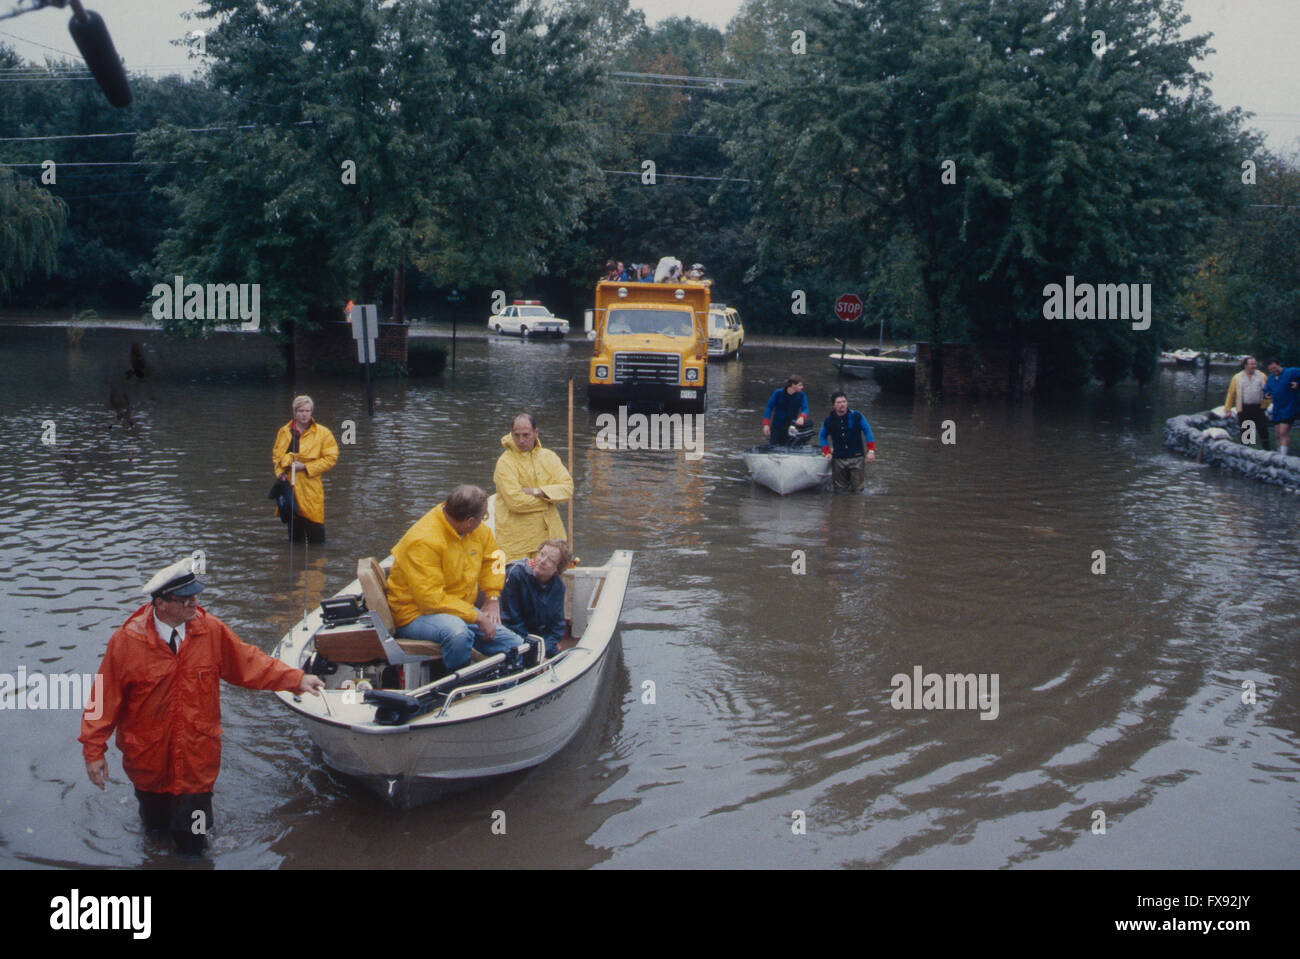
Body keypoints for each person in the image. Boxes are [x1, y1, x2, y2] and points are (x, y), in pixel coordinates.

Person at [79, 557, 323, 855]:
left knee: (195, 845)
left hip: (196, 767)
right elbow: (102, 699)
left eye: (196, 596)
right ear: (161, 603)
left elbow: (249, 663)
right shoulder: (126, 642)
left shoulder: (210, 631)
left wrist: (297, 679)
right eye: (186, 599)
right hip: (148, 765)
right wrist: (94, 752)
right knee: (154, 833)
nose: (195, 603)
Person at [385, 485, 527, 671]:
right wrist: (477, 616)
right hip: (414, 613)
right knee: (458, 633)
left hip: (459, 607)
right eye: (484, 516)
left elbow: (496, 558)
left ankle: (507, 682)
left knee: (516, 645)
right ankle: (453, 684)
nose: (485, 521)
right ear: (469, 521)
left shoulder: (477, 530)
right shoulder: (423, 541)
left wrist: (492, 597)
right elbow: (431, 601)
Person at [493, 413, 574, 564]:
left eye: (526, 435)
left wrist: (538, 491)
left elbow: (567, 489)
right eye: (516, 435)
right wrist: (550, 499)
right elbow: (515, 502)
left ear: (536, 433)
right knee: (521, 582)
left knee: (551, 582)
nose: (521, 440)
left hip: (550, 538)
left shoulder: (549, 457)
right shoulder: (505, 463)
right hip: (518, 543)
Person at [271, 395, 339, 543]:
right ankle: (297, 561)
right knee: (295, 537)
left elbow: (331, 458)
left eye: (307, 411)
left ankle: (317, 563)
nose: (304, 414)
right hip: (290, 489)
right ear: (295, 412)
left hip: (311, 488)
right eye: (301, 411)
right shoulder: (284, 432)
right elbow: (277, 457)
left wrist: (306, 467)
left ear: (312, 412)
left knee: (317, 535)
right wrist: (280, 474)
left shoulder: (323, 433)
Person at [499, 539, 570, 659]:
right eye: (542, 554)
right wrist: (535, 650)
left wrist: (545, 648)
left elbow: (557, 626)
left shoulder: (558, 586)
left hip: (540, 639)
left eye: (551, 560)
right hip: (514, 635)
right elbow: (511, 621)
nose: (542, 561)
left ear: (557, 569)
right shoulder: (515, 574)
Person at [819, 391, 877, 491]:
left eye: (844, 401)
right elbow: (822, 436)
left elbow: (868, 432)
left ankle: (856, 505)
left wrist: (871, 451)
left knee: (858, 490)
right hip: (838, 459)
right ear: (834, 405)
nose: (842, 405)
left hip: (857, 457)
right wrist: (827, 452)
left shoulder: (857, 416)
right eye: (839, 402)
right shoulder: (829, 420)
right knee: (839, 491)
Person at [1224, 356, 1270, 450]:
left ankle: (1267, 451)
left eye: (1255, 364)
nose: (1254, 366)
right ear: (1245, 365)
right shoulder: (1237, 377)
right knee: (1247, 432)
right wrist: (1227, 409)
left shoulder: (1262, 376)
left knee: (1263, 429)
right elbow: (1231, 394)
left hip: (1259, 408)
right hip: (1244, 408)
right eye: (1252, 364)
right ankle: (1247, 452)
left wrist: (1266, 404)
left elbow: (1268, 392)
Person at [1263, 357, 1300, 457]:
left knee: (1283, 432)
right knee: (1277, 434)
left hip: (1289, 408)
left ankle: (1284, 457)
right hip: (1277, 409)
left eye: (1275, 368)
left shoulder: (1292, 372)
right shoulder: (1270, 377)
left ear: (1279, 365)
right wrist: (1266, 394)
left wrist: (1298, 384)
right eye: (1271, 369)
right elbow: (1266, 389)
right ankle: (1279, 454)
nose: (1273, 371)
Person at [763, 375, 810, 446]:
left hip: (791, 427)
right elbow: (769, 408)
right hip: (777, 427)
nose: (802, 387)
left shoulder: (802, 395)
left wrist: (802, 417)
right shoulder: (778, 393)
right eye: (800, 385)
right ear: (793, 385)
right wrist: (766, 424)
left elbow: (805, 408)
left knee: (789, 448)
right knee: (773, 447)